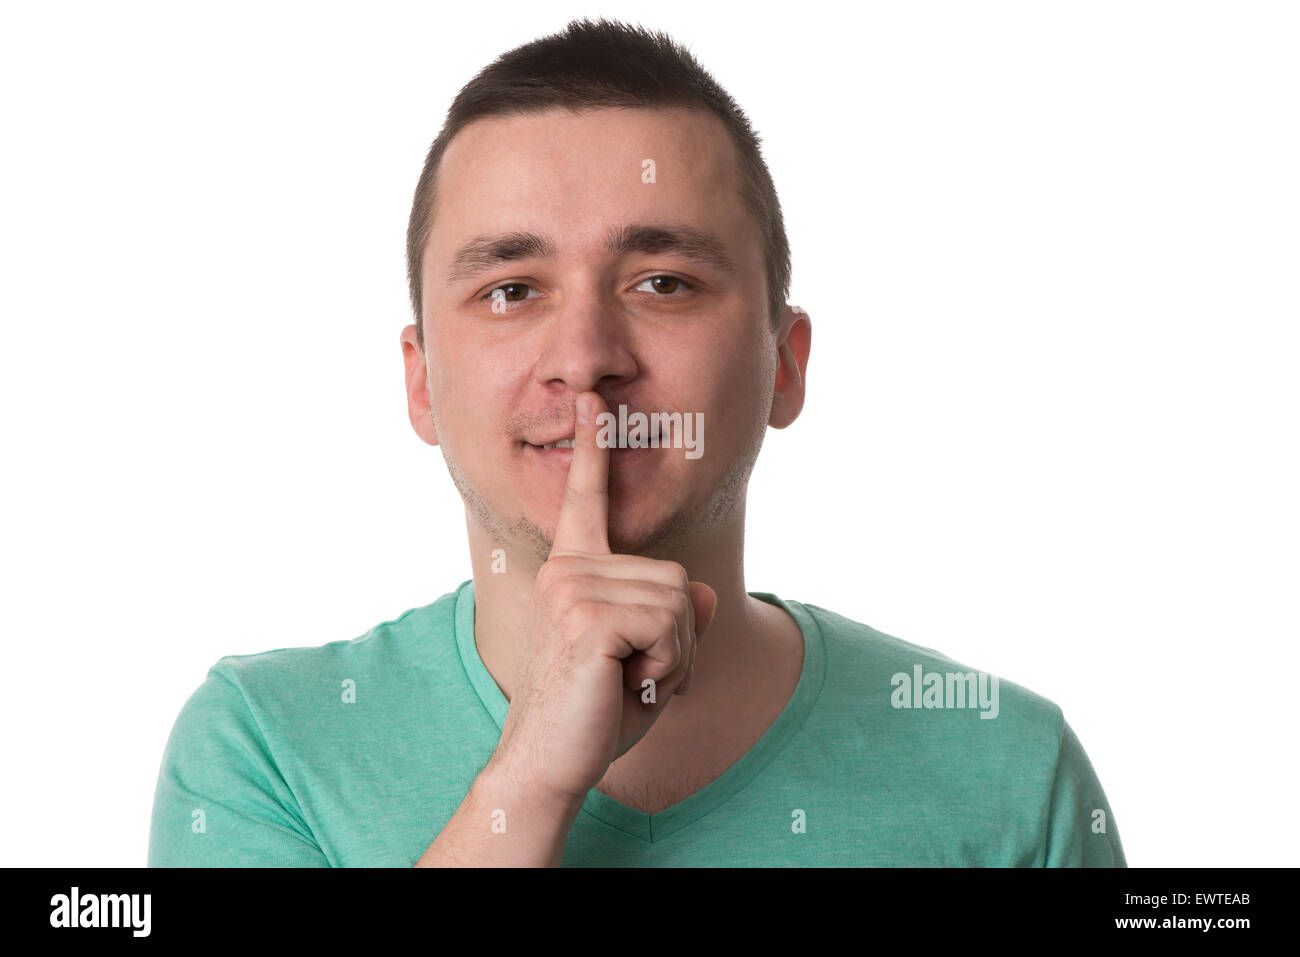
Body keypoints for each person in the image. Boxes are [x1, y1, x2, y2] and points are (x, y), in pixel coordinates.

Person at [148, 17, 1125, 867]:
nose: (584, 360)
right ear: (421, 385)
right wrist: (530, 778)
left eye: (661, 281)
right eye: (510, 290)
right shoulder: (263, 747)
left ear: (782, 366)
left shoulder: (1008, 768)